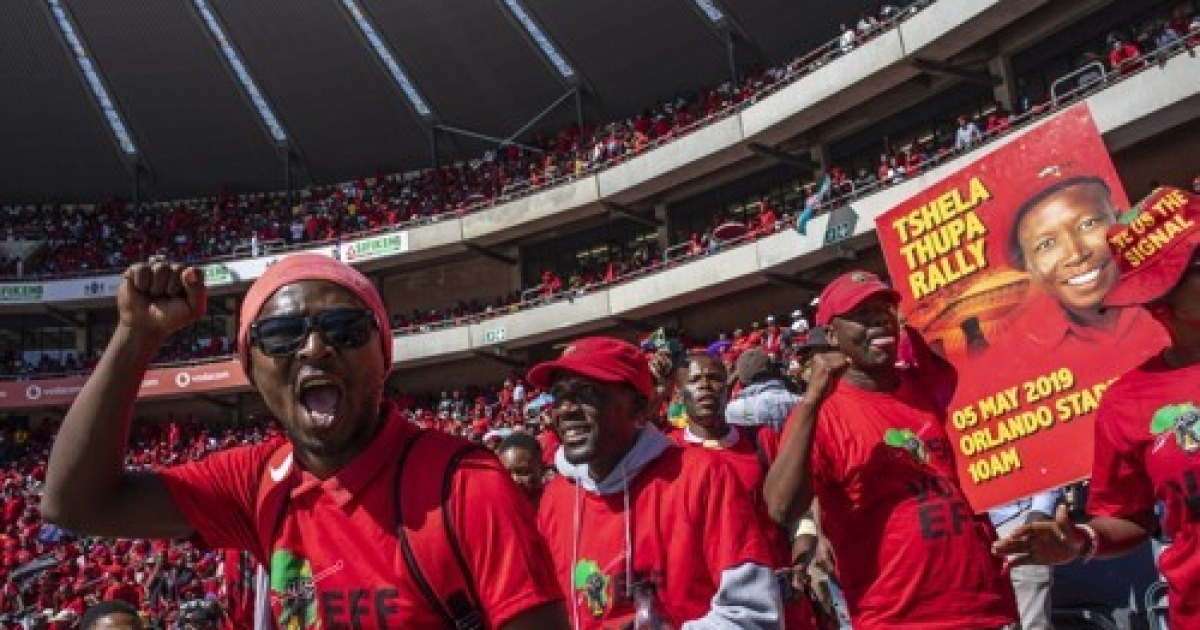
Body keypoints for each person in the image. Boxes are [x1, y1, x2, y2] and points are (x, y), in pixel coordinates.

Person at [40, 254, 568, 629]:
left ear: (384, 355)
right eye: (281, 335)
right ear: (252, 368)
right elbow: (75, 503)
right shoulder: (255, 484)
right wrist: (136, 335)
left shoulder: (466, 487)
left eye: (345, 329)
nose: (316, 348)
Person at [763, 270, 1018, 630]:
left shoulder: (927, 385)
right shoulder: (823, 412)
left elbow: (964, 337)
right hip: (898, 617)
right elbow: (781, 507)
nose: (879, 323)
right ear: (832, 335)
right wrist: (811, 400)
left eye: (884, 312)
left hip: (987, 605)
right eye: (862, 317)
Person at [995, 186, 1200, 628]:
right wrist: (1080, 540)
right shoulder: (1127, 403)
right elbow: (1130, 517)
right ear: (1160, 296)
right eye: (1198, 266)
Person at [529, 337, 783, 629]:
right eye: (559, 396)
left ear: (638, 407)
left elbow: (756, 613)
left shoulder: (702, 476)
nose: (567, 410)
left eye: (587, 393)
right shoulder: (556, 498)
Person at [670, 351, 818, 630]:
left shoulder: (762, 441)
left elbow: (800, 515)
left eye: (713, 378)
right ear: (679, 396)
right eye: (694, 380)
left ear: (729, 388)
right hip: (708, 611)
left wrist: (800, 563)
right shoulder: (670, 456)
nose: (704, 386)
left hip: (783, 603)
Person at [987, 489, 1063, 630]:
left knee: (1033, 620)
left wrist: (1041, 510)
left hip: (1016, 515)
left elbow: (1048, 469)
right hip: (956, 523)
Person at [725, 348, 801, 431]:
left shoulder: (735, 409)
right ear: (774, 371)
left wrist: (730, 382)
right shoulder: (801, 401)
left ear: (741, 381)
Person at [497, 433, 547, 509]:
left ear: (541, 468)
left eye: (523, 472)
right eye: (507, 473)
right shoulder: (497, 508)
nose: (515, 480)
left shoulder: (557, 503)